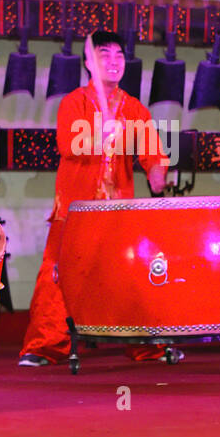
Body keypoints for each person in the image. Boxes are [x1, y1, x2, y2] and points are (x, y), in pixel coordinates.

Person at [18, 30, 171, 367]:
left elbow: (153, 153)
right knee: (56, 274)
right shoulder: (74, 102)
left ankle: (146, 346)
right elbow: (68, 145)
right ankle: (45, 347)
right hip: (73, 210)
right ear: (89, 62)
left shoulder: (134, 108)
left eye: (119, 56)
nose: (114, 62)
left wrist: (159, 173)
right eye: (105, 55)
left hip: (118, 211)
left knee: (134, 274)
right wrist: (100, 134)